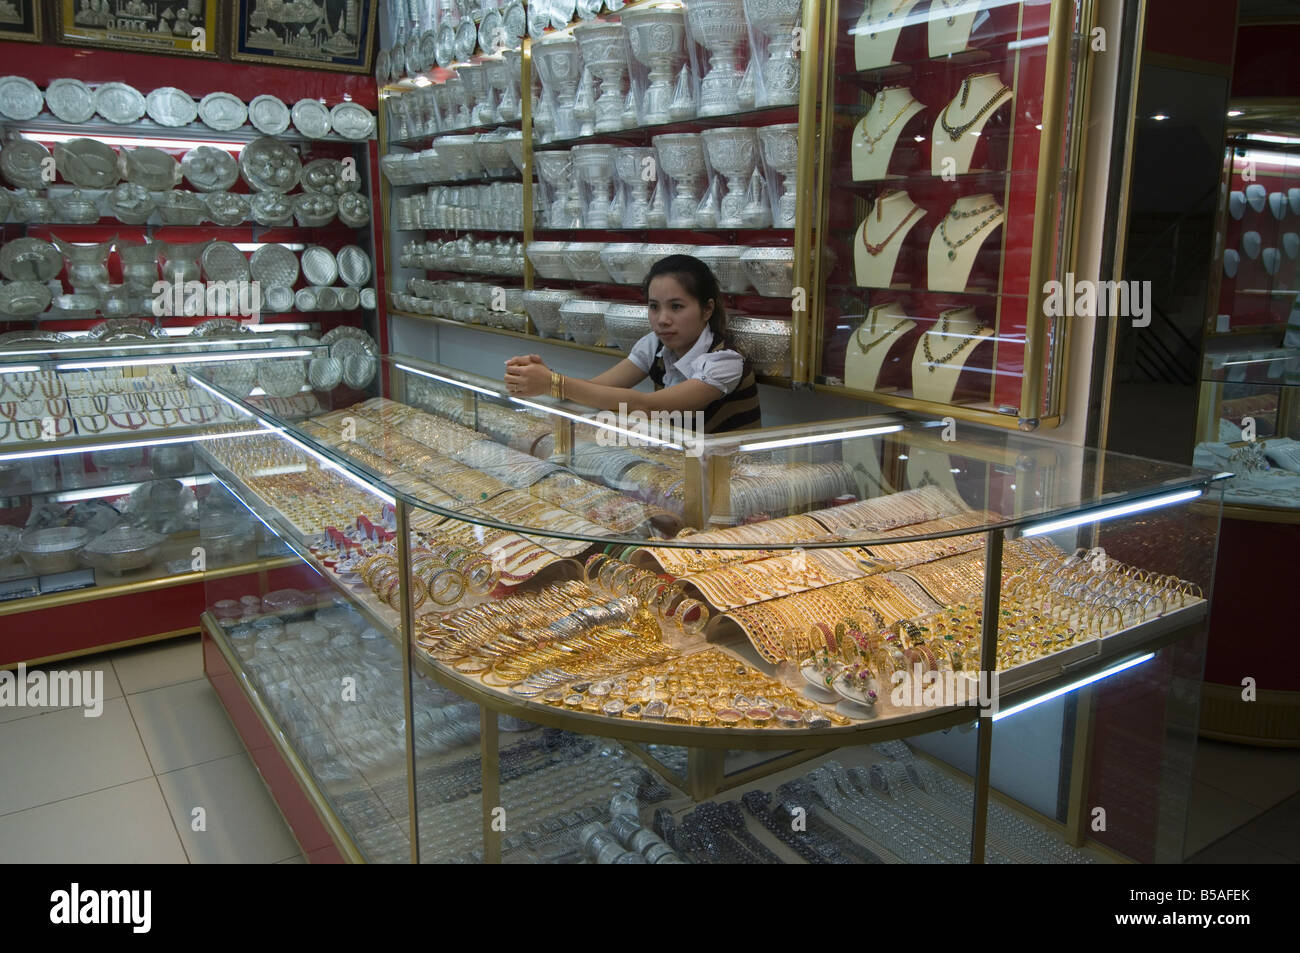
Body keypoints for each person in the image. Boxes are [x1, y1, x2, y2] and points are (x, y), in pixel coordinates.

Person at [504, 254, 762, 433]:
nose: (662, 320)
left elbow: (645, 406)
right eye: (653, 307)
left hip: (734, 476)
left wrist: (553, 382)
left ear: (707, 310)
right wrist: (542, 379)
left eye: (676, 307)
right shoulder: (654, 345)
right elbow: (595, 390)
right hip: (681, 465)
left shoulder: (724, 361)